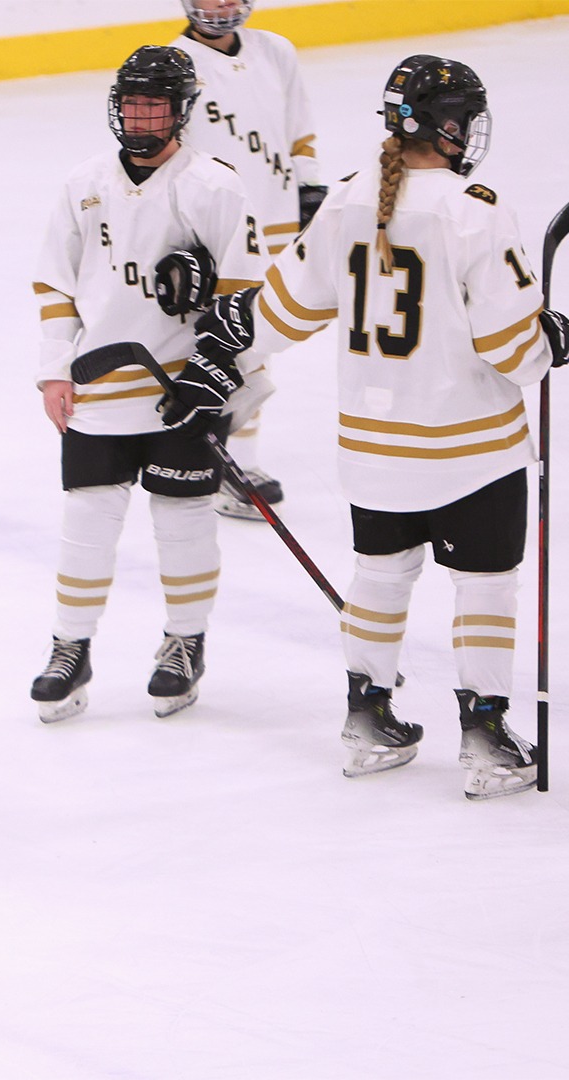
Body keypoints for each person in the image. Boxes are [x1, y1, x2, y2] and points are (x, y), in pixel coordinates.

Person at [188, 55, 569, 798]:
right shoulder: (476, 210)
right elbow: (516, 354)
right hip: (471, 449)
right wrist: (554, 337)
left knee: (380, 576)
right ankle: (487, 737)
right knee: (485, 585)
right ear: (452, 127)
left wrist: (219, 355)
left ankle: (367, 721)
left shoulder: (346, 200)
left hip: (373, 448)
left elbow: (281, 312)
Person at [28, 45, 261, 723]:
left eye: (156, 105)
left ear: (183, 110)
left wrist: (213, 379)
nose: (141, 116)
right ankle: (70, 647)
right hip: (100, 386)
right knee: (86, 526)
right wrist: (52, 368)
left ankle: (184, 643)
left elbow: (248, 293)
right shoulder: (84, 183)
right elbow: (55, 281)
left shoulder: (214, 186)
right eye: (132, 103)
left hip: (179, 392)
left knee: (182, 522)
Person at [168, 0, 323, 518]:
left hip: (275, 228)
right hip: (218, 232)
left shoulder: (276, 51)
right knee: (223, 349)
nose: (224, 4)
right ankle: (222, 464)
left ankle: (234, 460)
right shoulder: (173, 62)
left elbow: (299, 130)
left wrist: (311, 190)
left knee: (257, 349)